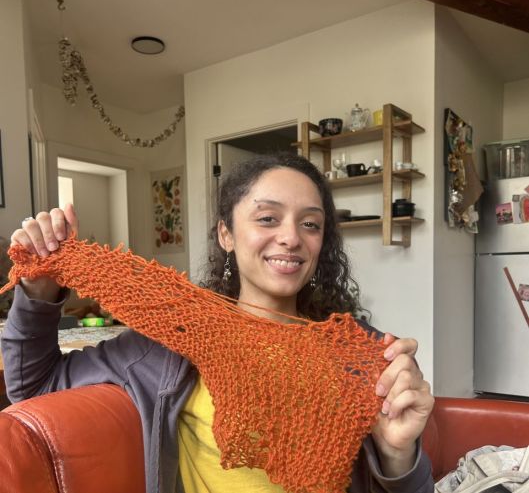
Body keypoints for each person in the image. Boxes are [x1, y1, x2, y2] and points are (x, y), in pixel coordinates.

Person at [1, 152, 434, 493]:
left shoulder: (366, 357)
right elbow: (34, 384)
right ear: (226, 234)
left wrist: (399, 454)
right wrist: (41, 288)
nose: (291, 237)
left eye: (310, 224)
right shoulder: (174, 339)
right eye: (267, 218)